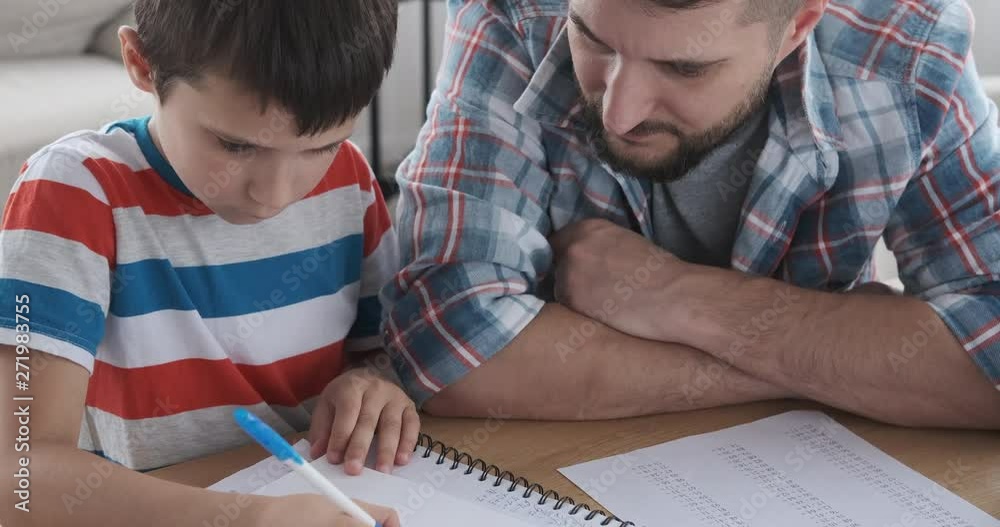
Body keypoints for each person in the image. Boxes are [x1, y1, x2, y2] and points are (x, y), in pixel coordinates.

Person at [384, 0, 1000, 429]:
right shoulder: (515, 13)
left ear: (797, 26)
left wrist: (674, 296)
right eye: (592, 39)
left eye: (685, 67)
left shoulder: (909, 49)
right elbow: (450, 347)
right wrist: (827, 362)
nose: (619, 113)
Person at [0, 2, 413, 525]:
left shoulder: (351, 179)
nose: (274, 194)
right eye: (236, 145)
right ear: (142, 64)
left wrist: (375, 387)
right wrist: (246, 519)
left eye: (322, 145)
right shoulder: (71, 193)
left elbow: (379, 358)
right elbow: (19, 476)